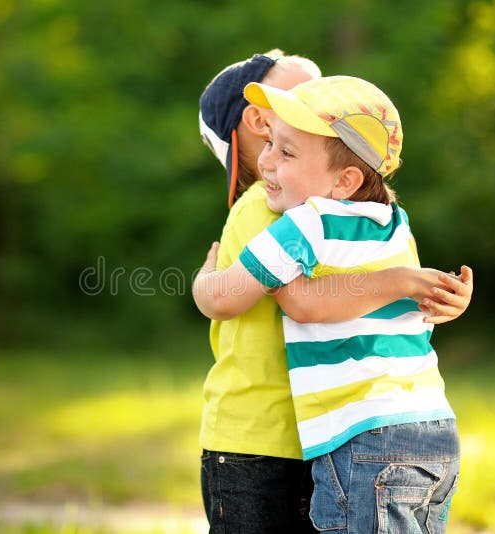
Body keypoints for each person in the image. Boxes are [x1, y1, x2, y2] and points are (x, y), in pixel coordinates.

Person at [196, 54, 472, 534]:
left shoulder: (300, 216)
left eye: (288, 150)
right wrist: (435, 293)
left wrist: (204, 279)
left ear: (346, 178)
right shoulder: (392, 223)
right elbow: (401, 305)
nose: (269, 165)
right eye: (272, 145)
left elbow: (290, 300)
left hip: (323, 431)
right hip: (403, 426)